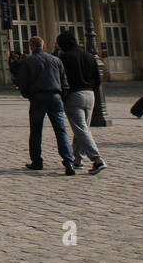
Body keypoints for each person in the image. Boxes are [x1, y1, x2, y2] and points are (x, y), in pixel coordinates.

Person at [15, 36, 77, 175]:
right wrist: (61, 96)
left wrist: (28, 95)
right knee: (61, 130)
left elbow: (22, 83)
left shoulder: (28, 61)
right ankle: (68, 162)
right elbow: (64, 82)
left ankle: (37, 161)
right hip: (55, 97)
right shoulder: (56, 60)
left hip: (37, 98)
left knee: (36, 131)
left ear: (31, 47)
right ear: (43, 46)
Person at [56, 32, 105, 174]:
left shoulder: (65, 57)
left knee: (81, 129)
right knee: (82, 129)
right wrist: (92, 91)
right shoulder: (89, 56)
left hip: (74, 95)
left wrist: (63, 96)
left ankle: (97, 159)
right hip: (90, 95)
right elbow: (98, 78)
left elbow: (63, 79)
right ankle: (77, 159)